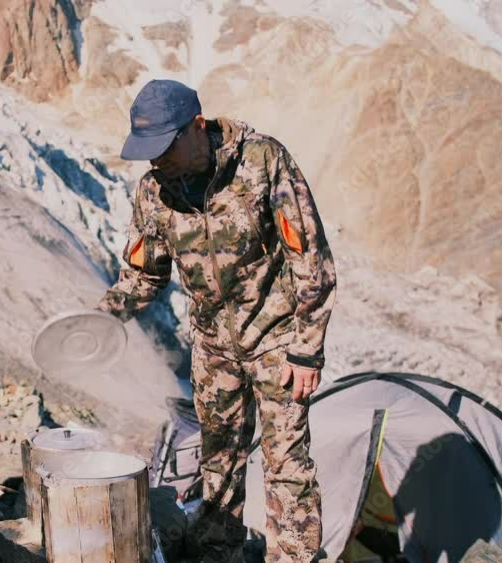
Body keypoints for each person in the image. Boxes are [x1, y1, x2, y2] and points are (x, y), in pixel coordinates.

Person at [98, 79, 337, 562]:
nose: (154, 160)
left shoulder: (263, 163)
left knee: (287, 466)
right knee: (218, 462)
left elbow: (310, 261)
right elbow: (145, 274)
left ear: (197, 128)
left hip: (278, 345)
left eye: (163, 147)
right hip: (212, 350)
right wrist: (100, 319)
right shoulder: (154, 192)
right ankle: (216, 555)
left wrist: (307, 348)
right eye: (147, 150)